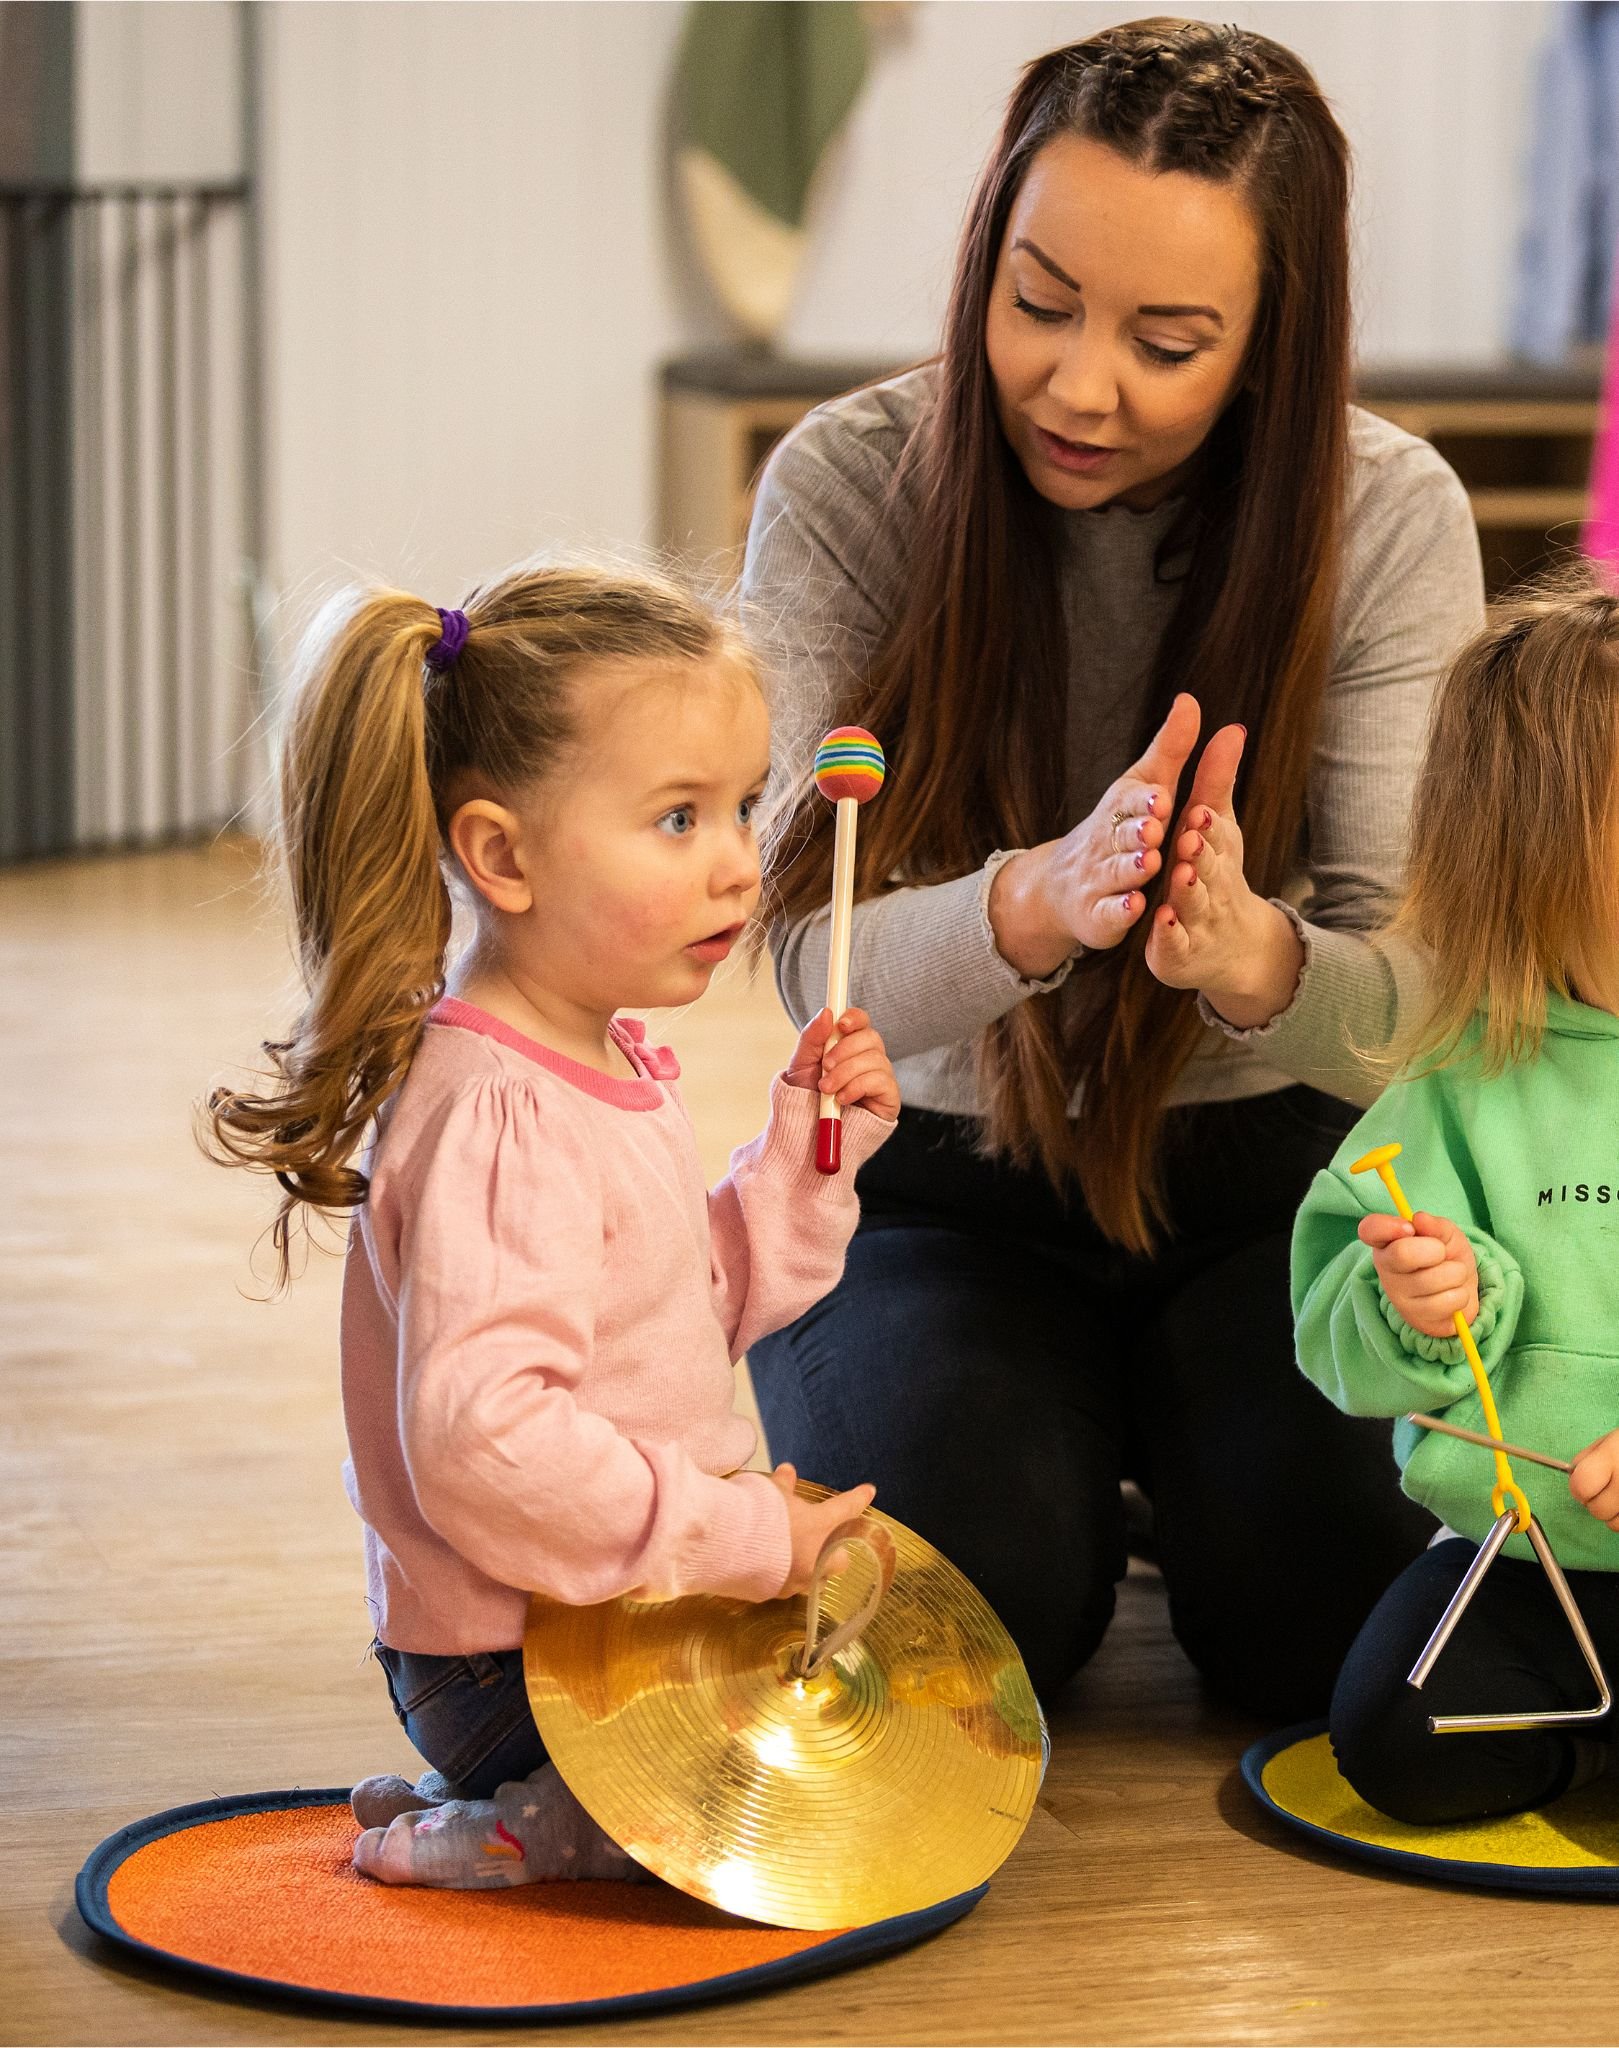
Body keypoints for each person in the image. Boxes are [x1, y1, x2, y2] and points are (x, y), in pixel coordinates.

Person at [741, 17, 1484, 1718]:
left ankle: (1162, 1451)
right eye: (1036, 301)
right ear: (980, 262)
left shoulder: (1380, 515)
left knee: (1328, 1621)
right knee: (977, 1614)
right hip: (925, 1184)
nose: (1078, 386)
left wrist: (1248, 956)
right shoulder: (851, 482)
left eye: (1165, 340)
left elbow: (1405, 1010)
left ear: (1268, 345)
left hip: (1268, 1186)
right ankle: (1077, 1460)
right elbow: (800, 954)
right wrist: (1033, 903)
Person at [205, 562, 897, 1887]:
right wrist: (743, 1540)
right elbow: (484, 1444)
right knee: (809, 1792)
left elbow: (676, 1319)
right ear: (502, 857)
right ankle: (528, 1816)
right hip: (513, 1651)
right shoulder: (497, 1116)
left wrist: (810, 1157)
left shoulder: (595, 1056)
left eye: (741, 808)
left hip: (583, 1605)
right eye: (678, 818)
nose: (739, 864)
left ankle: (501, 1786)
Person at [1295, 570, 1619, 1823]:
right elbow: (1346, 1354)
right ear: (1528, 858)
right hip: (1528, 1565)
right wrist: (1423, 1307)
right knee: (1395, 1729)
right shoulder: (1456, 1082)